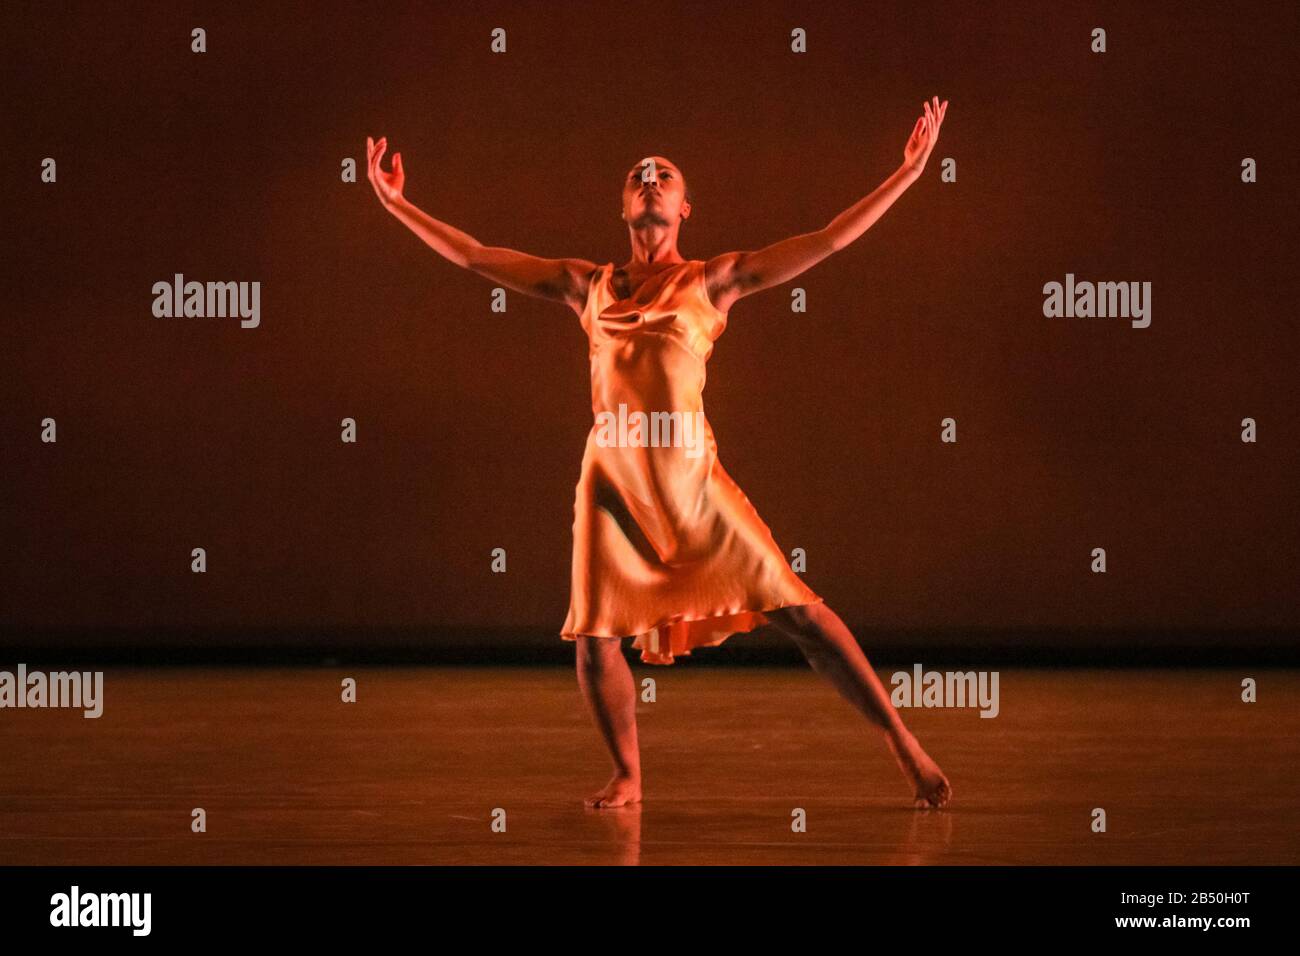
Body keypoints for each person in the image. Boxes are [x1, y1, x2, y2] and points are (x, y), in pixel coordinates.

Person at [366, 96, 952, 811]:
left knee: (800, 612)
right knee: (593, 636)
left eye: (664, 175)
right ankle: (629, 775)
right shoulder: (587, 285)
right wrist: (398, 205)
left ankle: (905, 745)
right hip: (611, 481)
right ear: (624, 207)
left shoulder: (715, 280)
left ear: (684, 209)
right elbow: (476, 256)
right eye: (639, 174)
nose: (650, 177)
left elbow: (827, 239)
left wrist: (909, 174)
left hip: (692, 482)